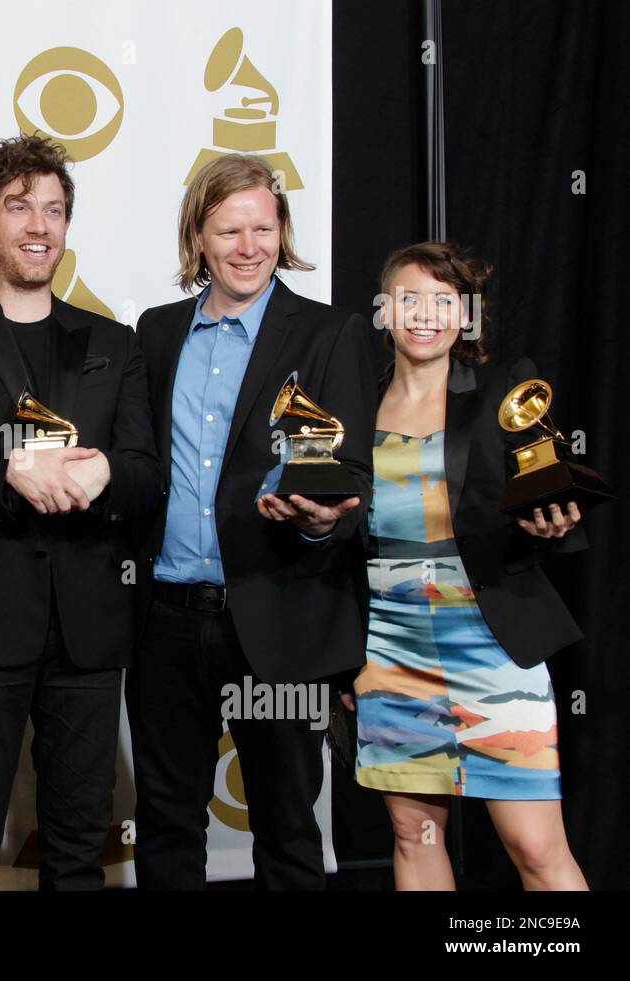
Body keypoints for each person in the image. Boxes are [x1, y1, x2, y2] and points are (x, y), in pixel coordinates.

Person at [0, 134, 164, 889]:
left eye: (53, 210)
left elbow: (148, 477)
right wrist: (7, 470)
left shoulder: (113, 342)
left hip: (88, 626)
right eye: (19, 208)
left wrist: (107, 469)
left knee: (79, 843)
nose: (38, 226)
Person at [128, 152, 376, 889]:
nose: (248, 246)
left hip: (282, 617)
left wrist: (319, 516)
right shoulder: (157, 330)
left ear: (282, 230)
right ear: (198, 237)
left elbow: (353, 472)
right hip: (166, 621)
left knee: (289, 828)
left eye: (263, 228)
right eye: (229, 229)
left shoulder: (331, 334)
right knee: (168, 826)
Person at [341, 241, 588, 890]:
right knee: (413, 835)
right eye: (409, 298)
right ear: (383, 311)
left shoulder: (503, 392)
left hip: (493, 650)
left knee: (536, 849)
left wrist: (553, 519)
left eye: (443, 299)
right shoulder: (353, 410)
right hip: (390, 655)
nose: (425, 314)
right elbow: (342, 545)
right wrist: (347, 659)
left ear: (465, 314)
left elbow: (546, 491)